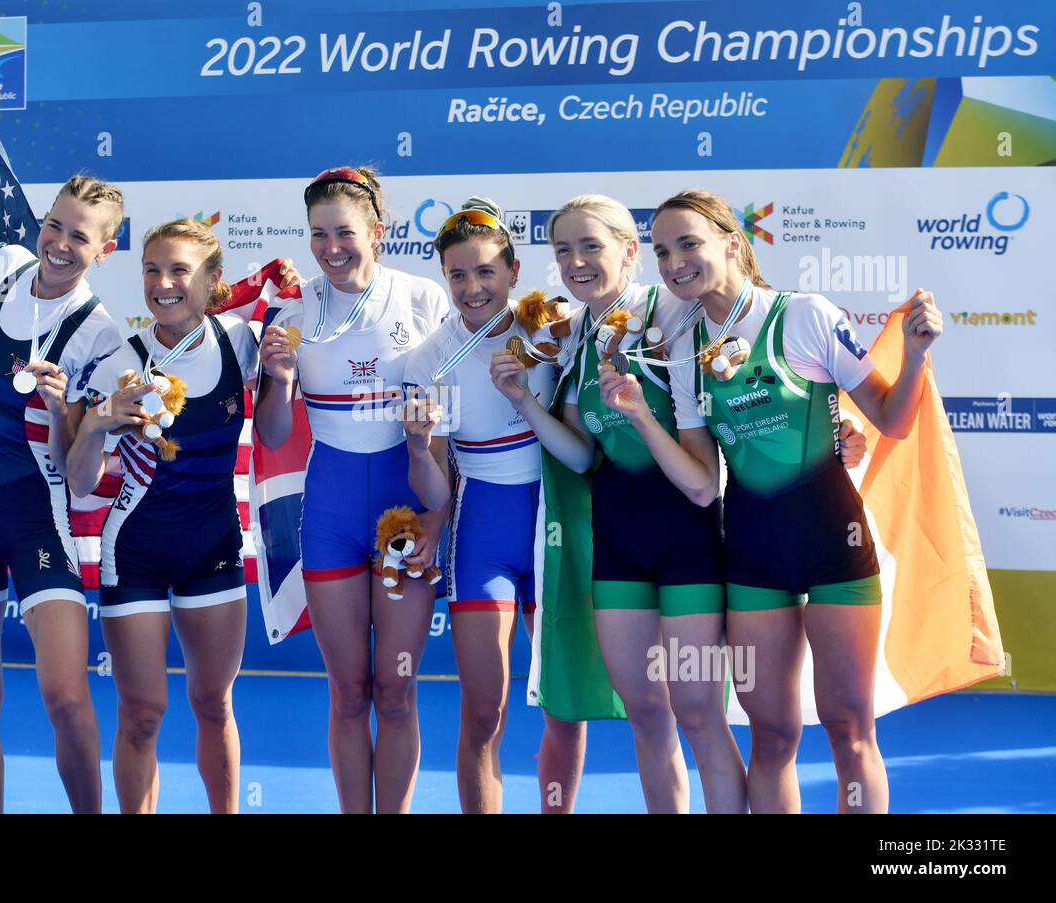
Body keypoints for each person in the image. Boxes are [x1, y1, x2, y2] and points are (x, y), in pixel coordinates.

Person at [646, 188, 942, 813]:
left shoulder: (803, 313)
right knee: (772, 734)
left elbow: (889, 418)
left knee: (849, 726)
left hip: (836, 546)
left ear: (732, 242)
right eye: (663, 250)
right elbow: (702, 470)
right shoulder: (679, 347)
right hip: (753, 558)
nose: (674, 262)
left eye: (689, 244)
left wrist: (914, 357)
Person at [488, 194, 748, 813]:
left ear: (630, 251)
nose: (577, 262)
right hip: (619, 544)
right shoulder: (576, 336)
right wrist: (525, 401)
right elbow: (580, 456)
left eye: (591, 246)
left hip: (691, 540)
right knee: (647, 714)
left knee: (700, 715)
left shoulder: (677, 315)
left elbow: (751, 378)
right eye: (564, 251)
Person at [0, 71, 123, 813]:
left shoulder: (103, 338)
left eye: (81, 235)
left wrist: (70, 407)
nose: (61, 242)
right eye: (56, 225)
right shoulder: (2, 268)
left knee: (67, 697)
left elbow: (81, 470)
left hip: (37, 516)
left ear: (104, 250)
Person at [253, 167, 451, 813]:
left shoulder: (423, 299)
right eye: (318, 234)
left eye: (345, 232)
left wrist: (438, 519)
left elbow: (445, 427)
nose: (331, 246)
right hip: (332, 510)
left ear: (378, 231)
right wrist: (279, 380)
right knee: (349, 692)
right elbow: (274, 431)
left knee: (396, 691)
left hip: (408, 506)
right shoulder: (293, 309)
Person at [68, 220, 261, 813]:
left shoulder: (241, 343)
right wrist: (99, 422)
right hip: (138, 548)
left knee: (213, 703)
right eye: (152, 269)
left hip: (214, 546)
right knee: (143, 712)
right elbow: (78, 479)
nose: (163, 283)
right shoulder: (120, 361)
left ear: (212, 281)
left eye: (179, 270)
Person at [400, 199, 587, 814]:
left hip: (555, 525)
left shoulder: (555, 329)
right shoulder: (425, 360)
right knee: (485, 708)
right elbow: (433, 494)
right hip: (484, 533)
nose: (472, 288)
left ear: (512, 271)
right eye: (457, 275)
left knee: (564, 700)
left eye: (485, 272)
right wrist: (419, 445)